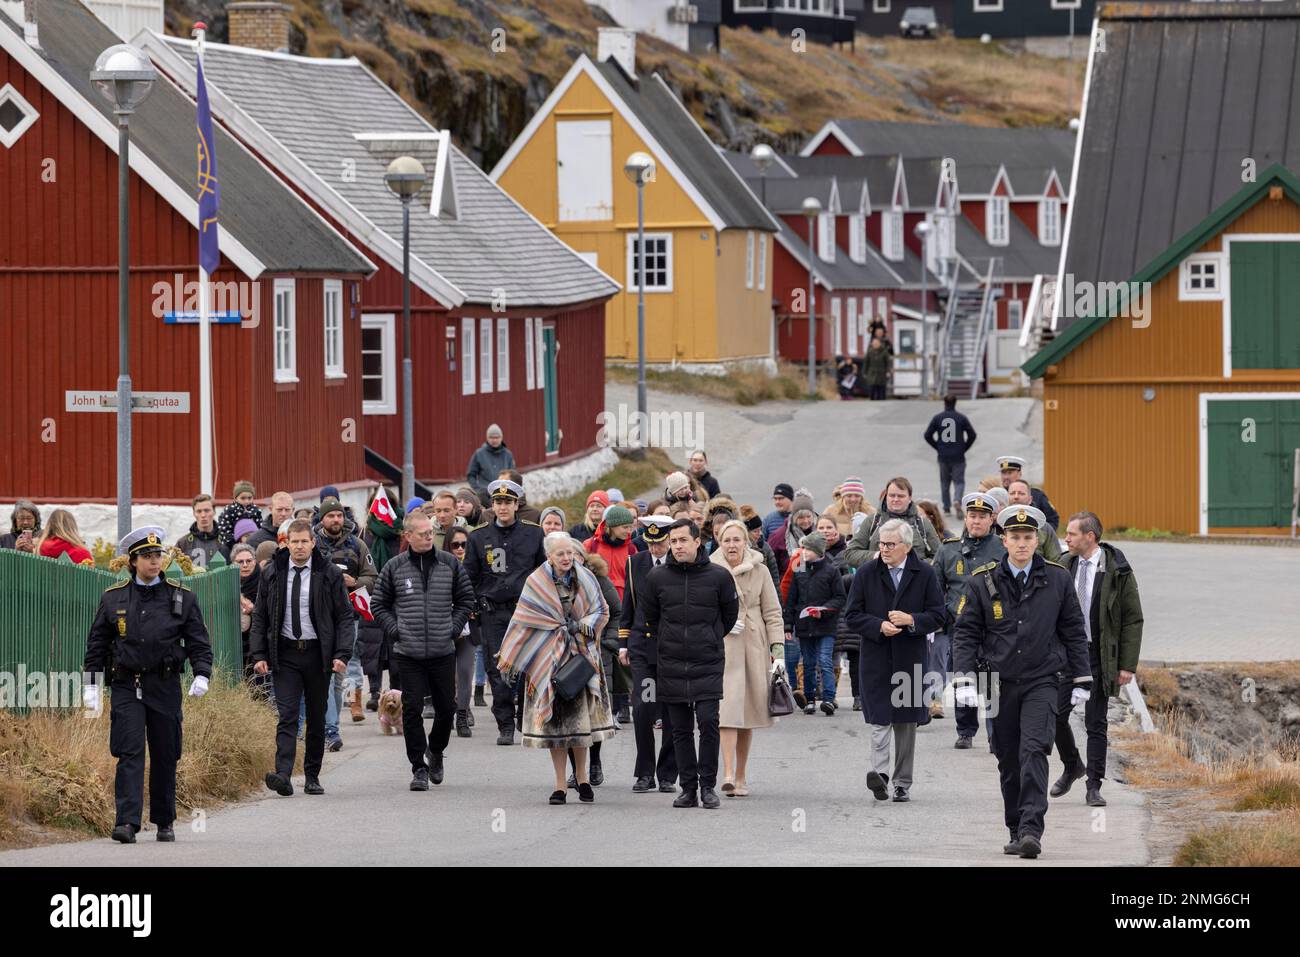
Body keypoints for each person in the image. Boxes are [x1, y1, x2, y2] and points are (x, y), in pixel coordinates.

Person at [952, 505, 1092, 859]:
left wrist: (1082, 677)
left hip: (1042, 680)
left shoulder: (1058, 579)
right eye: (1015, 537)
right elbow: (966, 633)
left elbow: (1074, 631)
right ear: (1004, 540)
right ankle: (1015, 827)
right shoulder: (982, 581)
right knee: (1007, 759)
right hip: (996, 682)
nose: (1022, 543)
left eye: (1028, 537)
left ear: (1037, 539)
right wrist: (966, 678)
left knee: (1034, 751)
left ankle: (1032, 829)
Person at [83, 526, 213, 843]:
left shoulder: (181, 597)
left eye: (158, 556)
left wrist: (202, 673)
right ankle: (127, 822)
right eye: (147, 556)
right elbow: (97, 644)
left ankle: (164, 820)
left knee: (166, 752)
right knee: (129, 752)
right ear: (133, 561)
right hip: (127, 684)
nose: (155, 562)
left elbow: (198, 641)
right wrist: (91, 684)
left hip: (165, 685)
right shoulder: (114, 599)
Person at [497, 532, 614, 805]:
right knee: (556, 728)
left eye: (569, 553)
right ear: (548, 555)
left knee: (580, 725)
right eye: (560, 553)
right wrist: (513, 655)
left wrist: (581, 626)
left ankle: (583, 780)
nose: (566, 558)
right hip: (547, 660)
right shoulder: (535, 582)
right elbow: (524, 619)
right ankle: (560, 785)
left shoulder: (586, 577)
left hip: (582, 660)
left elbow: (602, 610)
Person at [636, 520, 739, 810]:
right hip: (671, 662)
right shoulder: (657, 577)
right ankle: (688, 788)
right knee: (679, 729)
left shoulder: (719, 577)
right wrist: (667, 643)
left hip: (707, 659)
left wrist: (708, 638)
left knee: (708, 722)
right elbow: (650, 618)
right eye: (674, 541)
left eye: (683, 540)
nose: (678, 546)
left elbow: (729, 615)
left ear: (698, 542)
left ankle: (708, 786)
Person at [371, 511, 476, 790]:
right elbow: (378, 604)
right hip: (409, 651)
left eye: (430, 532)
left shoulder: (449, 564)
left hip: (443, 648)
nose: (429, 537)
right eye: (422, 534)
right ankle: (418, 767)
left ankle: (436, 751)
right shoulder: (394, 567)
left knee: (446, 708)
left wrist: (453, 628)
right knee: (412, 709)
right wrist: (396, 630)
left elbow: (467, 598)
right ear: (408, 536)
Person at [844, 519, 946, 803]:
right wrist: (878, 626)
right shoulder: (866, 573)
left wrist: (911, 620)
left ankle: (902, 782)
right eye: (881, 544)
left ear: (906, 546)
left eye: (890, 544)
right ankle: (880, 775)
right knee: (880, 720)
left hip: (910, 658)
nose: (884, 549)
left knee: (905, 724)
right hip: (876, 657)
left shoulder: (924, 573)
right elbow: (852, 615)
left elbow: (938, 615)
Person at [251, 520, 354, 798]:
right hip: (285, 655)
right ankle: (283, 774)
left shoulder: (328, 573)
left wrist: (341, 654)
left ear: (312, 543)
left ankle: (312, 775)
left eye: (304, 542)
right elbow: (260, 615)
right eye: (294, 541)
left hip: (317, 655)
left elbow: (344, 616)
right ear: (286, 543)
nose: (299, 547)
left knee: (317, 719)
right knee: (286, 715)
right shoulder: (273, 572)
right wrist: (259, 654)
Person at [1050, 512, 1144, 808]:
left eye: (1072, 533)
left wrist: (1127, 665)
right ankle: (1072, 765)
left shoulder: (1117, 571)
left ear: (1090, 537)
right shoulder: (1064, 565)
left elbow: (1132, 619)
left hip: (1099, 656)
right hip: (1067, 656)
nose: (1066, 538)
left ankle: (1094, 786)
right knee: (1053, 715)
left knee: (1096, 722)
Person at [463, 478, 548, 745]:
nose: (502, 507)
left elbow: (543, 572)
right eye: (498, 502)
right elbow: (469, 576)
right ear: (492, 504)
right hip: (493, 613)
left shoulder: (534, 534)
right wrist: (474, 606)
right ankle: (505, 723)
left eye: (508, 502)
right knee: (498, 668)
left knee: (527, 666)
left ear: (516, 504)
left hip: (526, 611)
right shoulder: (479, 537)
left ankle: (524, 715)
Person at [711, 519, 784, 796]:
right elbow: (702, 610)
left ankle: (741, 776)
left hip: (754, 643)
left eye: (737, 540)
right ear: (720, 542)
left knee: (749, 713)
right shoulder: (710, 569)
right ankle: (728, 773)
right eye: (727, 540)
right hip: (724, 647)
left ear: (746, 542)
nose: (732, 545)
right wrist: (723, 623)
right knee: (727, 711)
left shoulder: (761, 569)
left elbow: (773, 612)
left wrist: (777, 653)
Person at [933, 492, 1006, 749]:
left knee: (991, 681)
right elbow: (935, 588)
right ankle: (965, 730)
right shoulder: (949, 549)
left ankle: (995, 733)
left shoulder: (1002, 548)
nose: (976, 521)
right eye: (972, 516)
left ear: (991, 518)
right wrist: (942, 617)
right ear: (965, 517)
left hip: (994, 628)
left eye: (982, 516)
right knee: (962, 678)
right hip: (959, 627)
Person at [617, 515, 678, 793]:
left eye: (661, 542)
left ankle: (667, 773)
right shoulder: (635, 563)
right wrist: (623, 643)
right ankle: (644, 772)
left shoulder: (679, 564)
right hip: (642, 647)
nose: (655, 549)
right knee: (643, 708)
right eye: (651, 543)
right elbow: (628, 605)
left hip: (672, 648)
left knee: (670, 712)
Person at [313, 497, 378, 722]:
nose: (336, 519)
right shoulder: (313, 545)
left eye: (339, 515)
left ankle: (355, 701)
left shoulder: (357, 544)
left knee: (351, 661)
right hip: (320, 616)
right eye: (331, 516)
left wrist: (355, 582)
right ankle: (330, 722)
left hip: (350, 615)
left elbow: (372, 577)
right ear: (322, 520)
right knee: (327, 670)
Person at [569, 549, 620, 787]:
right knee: (570, 714)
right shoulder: (554, 581)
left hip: (596, 652)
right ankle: (576, 770)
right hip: (566, 653)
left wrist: (608, 641)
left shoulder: (598, 579)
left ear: (582, 557)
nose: (569, 559)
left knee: (593, 712)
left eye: (573, 554)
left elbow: (616, 612)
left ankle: (595, 761)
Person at [783, 532, 845, 716]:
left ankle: (828, 698)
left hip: (826, 625)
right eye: (803, 548)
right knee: (808, 663)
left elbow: (840, 597)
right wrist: (788, 626)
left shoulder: (831, 571)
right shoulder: (798, 569)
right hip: (804, 626)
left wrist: (824, 610)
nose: (803, 551)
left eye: (808, 549)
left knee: (825, 660)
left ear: (818, 551)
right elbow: (791, 600)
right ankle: (809, 698)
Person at [844, 477, 942, 567]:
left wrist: (916, 564)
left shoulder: (923, 525)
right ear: (886, 496)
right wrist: (877, 556)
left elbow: (939, 558)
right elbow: (850, 554)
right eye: (892, 495)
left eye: (901, 496)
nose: (895, 499)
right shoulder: (872, 522)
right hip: (879, 581)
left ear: (909, 498)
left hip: (914, 581)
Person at [441, 526, 479, 737]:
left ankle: (462, 715)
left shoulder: (475, 565)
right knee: (445, 675)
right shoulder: (440, 565)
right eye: (455, 544)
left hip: (469, 627)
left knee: (465, 672)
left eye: (464, 544)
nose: (460, 548)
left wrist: (474, 609)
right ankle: (446, 712)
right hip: (445, 627)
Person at [924, 395, 978, 517]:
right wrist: (964, 448)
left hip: (943, 455)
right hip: (958, 455)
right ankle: (957, 500)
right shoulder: (961, 418)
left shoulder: (937, 418)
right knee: (959, 481)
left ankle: (947, 508)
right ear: (955, 403)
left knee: (944, 481)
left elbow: (927, 435)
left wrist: (938, 447)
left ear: (944, 403)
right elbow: (972, 435)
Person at [997, 455, 1060, 531]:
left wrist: (1040, 534)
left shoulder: (1037, 495)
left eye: (1010, 473)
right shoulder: (997, 497)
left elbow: (1052, 519)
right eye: (1003, 473)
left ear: (1019, 473)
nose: (1006, 477)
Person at [1008, 479, 1062, 560]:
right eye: (1012, 493)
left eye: (1021, 493)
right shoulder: (998, 525)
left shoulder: (1044, 528)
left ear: (1030, 499)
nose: (1016, 496)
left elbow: (1056, 560)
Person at [232, 543, 262, 680]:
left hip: (258, 641)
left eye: (249, 561)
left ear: (255, 562)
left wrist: (253, 609)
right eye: (240, 562)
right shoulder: (229, 583)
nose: (245, 565)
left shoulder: (264, 580)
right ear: (233, 563)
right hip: (234, 640)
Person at [175, 494, 230, 568]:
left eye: (207, 510)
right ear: (194, 513)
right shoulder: (183, 543)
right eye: (199, 511)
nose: (203, 515)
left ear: (214, 511)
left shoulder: (226, 540)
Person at [466, 424, 516, 500]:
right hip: (485, 495)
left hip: (503, 493)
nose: (494, 440)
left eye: (497, 437)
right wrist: (478, 489)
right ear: (487, 438)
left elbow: (513, 475)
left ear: (501, 438)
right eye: (491, 437)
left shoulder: (508, 454)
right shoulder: (479, 454)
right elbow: (471, 475)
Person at [739, 504, 781, 590]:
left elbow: (774, 579)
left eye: (760, 529)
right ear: (745, 532)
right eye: (755, 531)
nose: (760, 534)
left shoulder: (765, 548)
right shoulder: (737, 549)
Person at [216, 480, 265, 547]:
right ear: (235, 498)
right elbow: (224, 529)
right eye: (243, 498)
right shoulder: (230, 510)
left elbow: (260, 528)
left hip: (252, 544)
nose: (247, 501)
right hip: (232, 545)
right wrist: (234, 541)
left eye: (249, 498)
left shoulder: (256, 511)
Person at [863, 334, 890, 400]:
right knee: (872, 388)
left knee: (881, 389)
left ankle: (882, 402)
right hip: (872, 372)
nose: (875, 344)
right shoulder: (869, 351)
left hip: (881, 373)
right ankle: (872, 401)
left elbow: (887, 363)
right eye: (873, 343)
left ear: (880, 344)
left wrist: (888, 371)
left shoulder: (884, 351)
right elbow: (866, 362)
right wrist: (864, 372)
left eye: (876, 343)